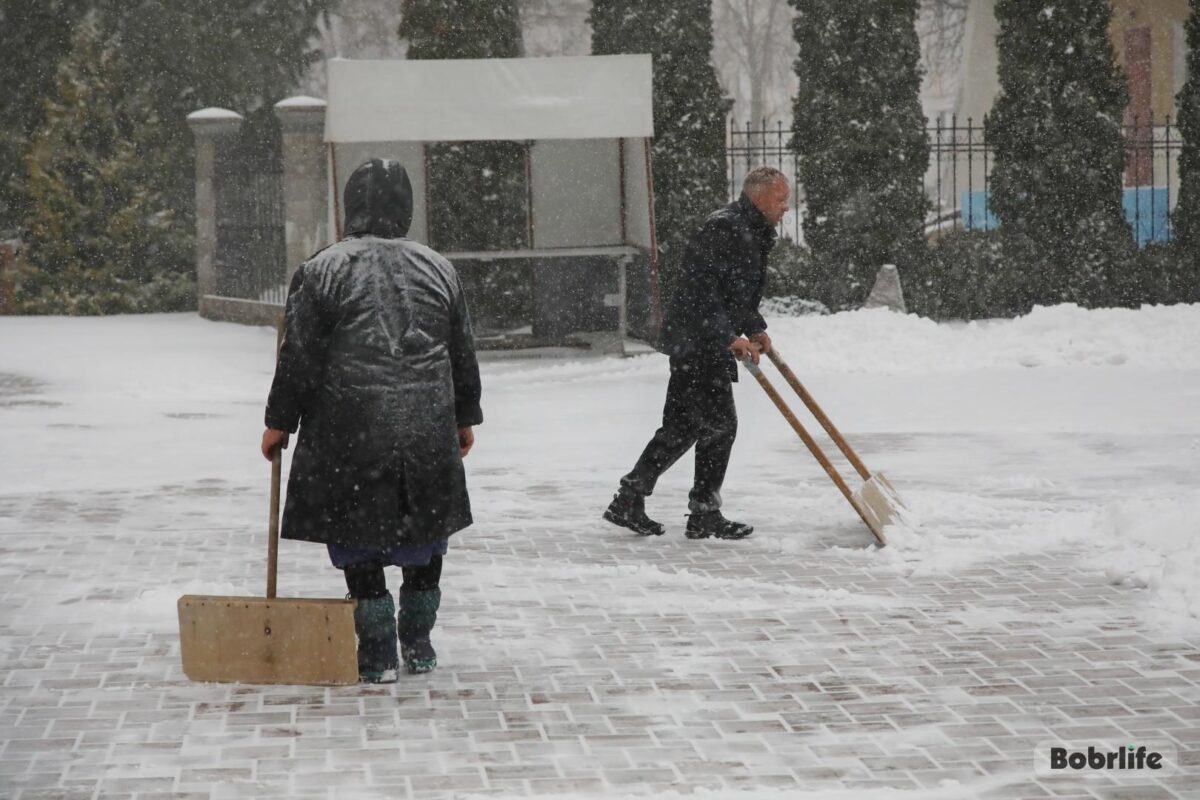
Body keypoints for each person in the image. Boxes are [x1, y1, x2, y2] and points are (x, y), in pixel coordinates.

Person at [261, 158, 482, 683]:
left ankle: (378, 649)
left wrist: (279, 420)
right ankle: (420, 642)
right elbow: (461, 351)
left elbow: (300, 358)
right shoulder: (438, 267)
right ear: (405, 208)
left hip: (349, 430)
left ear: (350, 205)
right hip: (426, 427)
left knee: (358, 537)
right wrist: (463, 415)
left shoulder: (322, 270)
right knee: (425, 532)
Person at [603, 166, 790, 540]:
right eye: (781, 198)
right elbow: (700, 288)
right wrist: (726, 336)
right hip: (697, 341)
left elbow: (735, 291)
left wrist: (754, 327)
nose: (787, 207)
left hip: (702, 341)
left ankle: (634, 498)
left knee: (687, 425)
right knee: (715, 425)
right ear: (758, 197)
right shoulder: (726, 227)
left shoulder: (751, 230)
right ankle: (698, 511)